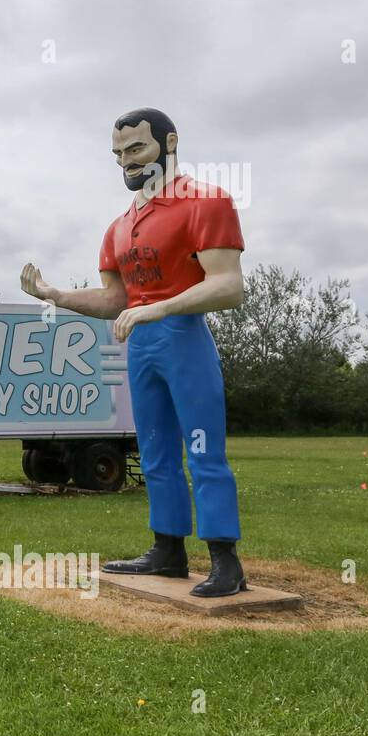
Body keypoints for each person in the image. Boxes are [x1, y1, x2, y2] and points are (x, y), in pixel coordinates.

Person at [19, 108, 248, 597]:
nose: (127, 161)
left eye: (137, 149)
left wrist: (159, 309)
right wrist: (56, 295)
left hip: (183, 337)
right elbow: (115, 301)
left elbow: (229, 286)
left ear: (170, 142)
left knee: (204, 449)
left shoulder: (206, 201)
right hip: (139, 343)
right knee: (156, 452)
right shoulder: (119, 227)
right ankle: (167, 550)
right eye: (118, 154)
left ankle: (225, 559)